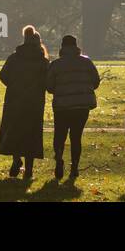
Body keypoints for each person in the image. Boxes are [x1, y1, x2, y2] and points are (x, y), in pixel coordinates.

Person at [46, 33, 100, 181]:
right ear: (76, 46)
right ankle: (74, 167)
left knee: (60, 135)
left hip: (62, 106)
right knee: (76, 137)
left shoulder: (56, 64)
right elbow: (95, 82)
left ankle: (58, 159)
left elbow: (49, 87)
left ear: (62, 47)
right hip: (81, 106)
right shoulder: (87, 62)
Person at [0, 25, 48, 178]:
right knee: (32, 133)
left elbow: (3, 75)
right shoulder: (42, 60)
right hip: (35, 102)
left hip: (15, 100)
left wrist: (14, 86)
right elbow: (48, 80)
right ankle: (29, 169)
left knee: (15, 130)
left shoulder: (14, 57)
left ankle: (16, 159)